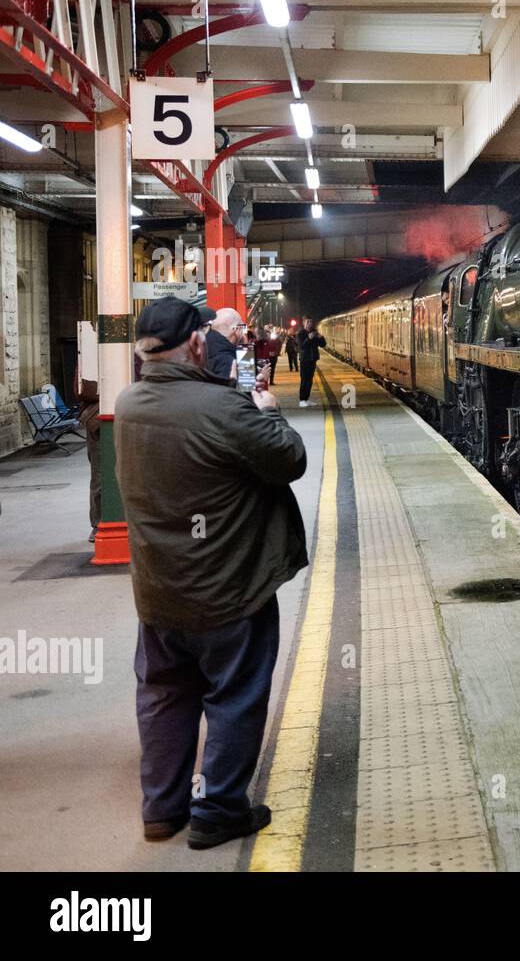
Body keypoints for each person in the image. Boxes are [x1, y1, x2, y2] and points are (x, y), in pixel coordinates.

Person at [115, 297, 308, 849]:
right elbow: (289, 459)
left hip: (156, 593)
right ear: (198, 343)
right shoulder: (221, 408)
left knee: (163, 696)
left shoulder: (127, 406)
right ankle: (219, 809)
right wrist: (268, 409)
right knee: (235, 694)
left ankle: (162, 810)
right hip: (227, 589)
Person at [77, 377, 100, 543]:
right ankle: (98, 523)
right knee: (99, 476)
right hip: (98, 420)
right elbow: (84, 389)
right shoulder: (91, 358)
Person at [205, 307, 244, 381]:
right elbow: (230, 391)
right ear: (236, 329)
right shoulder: (230, 363)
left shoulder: (199, 352)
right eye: (242, 326)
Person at [295, 318, 325, 408]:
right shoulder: (300, 333)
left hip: (312, 359)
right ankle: (302, 400)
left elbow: (323, 344)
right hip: (305, 359)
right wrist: (308, 338)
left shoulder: (314, 332)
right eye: (307, 322)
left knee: (310, 380)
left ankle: (306, 399)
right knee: (304, 380)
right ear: (303, 323)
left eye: (311, 322)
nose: (309, 323)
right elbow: (301, 347)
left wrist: (321, 337)